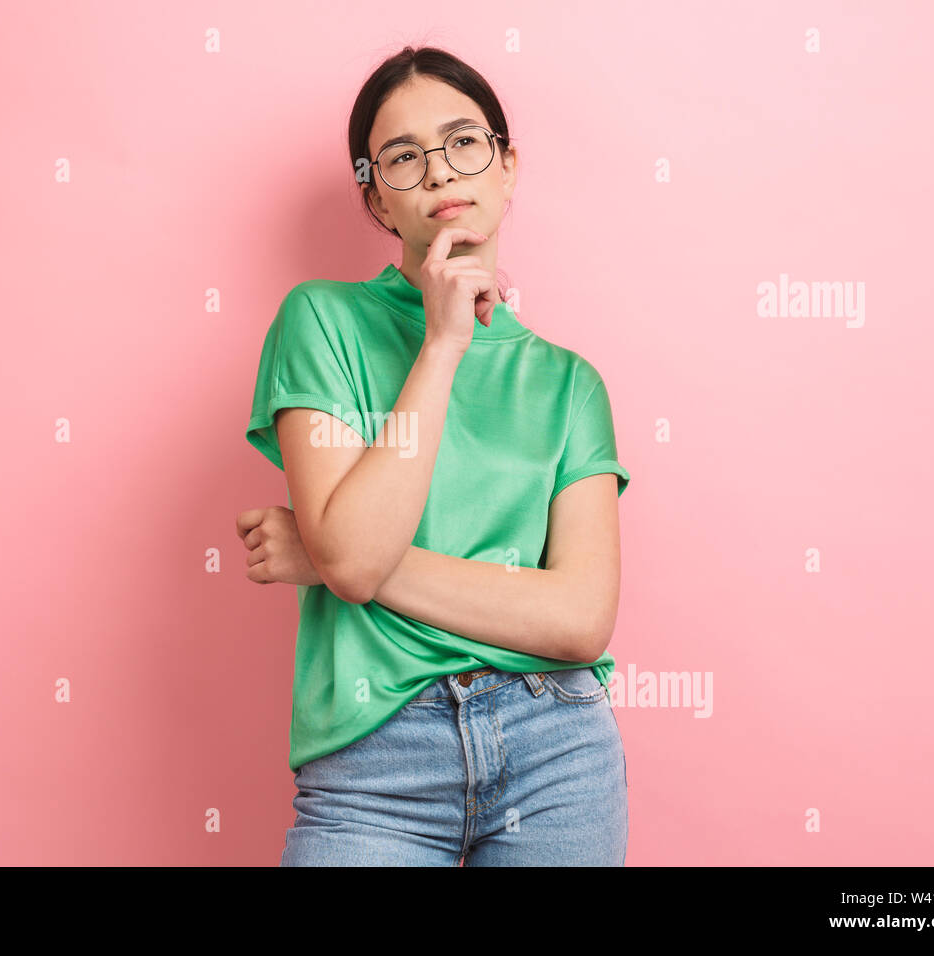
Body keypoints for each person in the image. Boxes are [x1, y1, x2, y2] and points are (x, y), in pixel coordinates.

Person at [237, 45, 631, 866]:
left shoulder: (569, 385)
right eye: (403, 158)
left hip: (556, 748)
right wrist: (444, 343)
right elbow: (352, 558)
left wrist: (329, 556)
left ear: (507, 164)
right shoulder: (322, 322)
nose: (441, 173)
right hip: (374, 754)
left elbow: (578, 620)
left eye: (463, 143)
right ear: (374, 196)